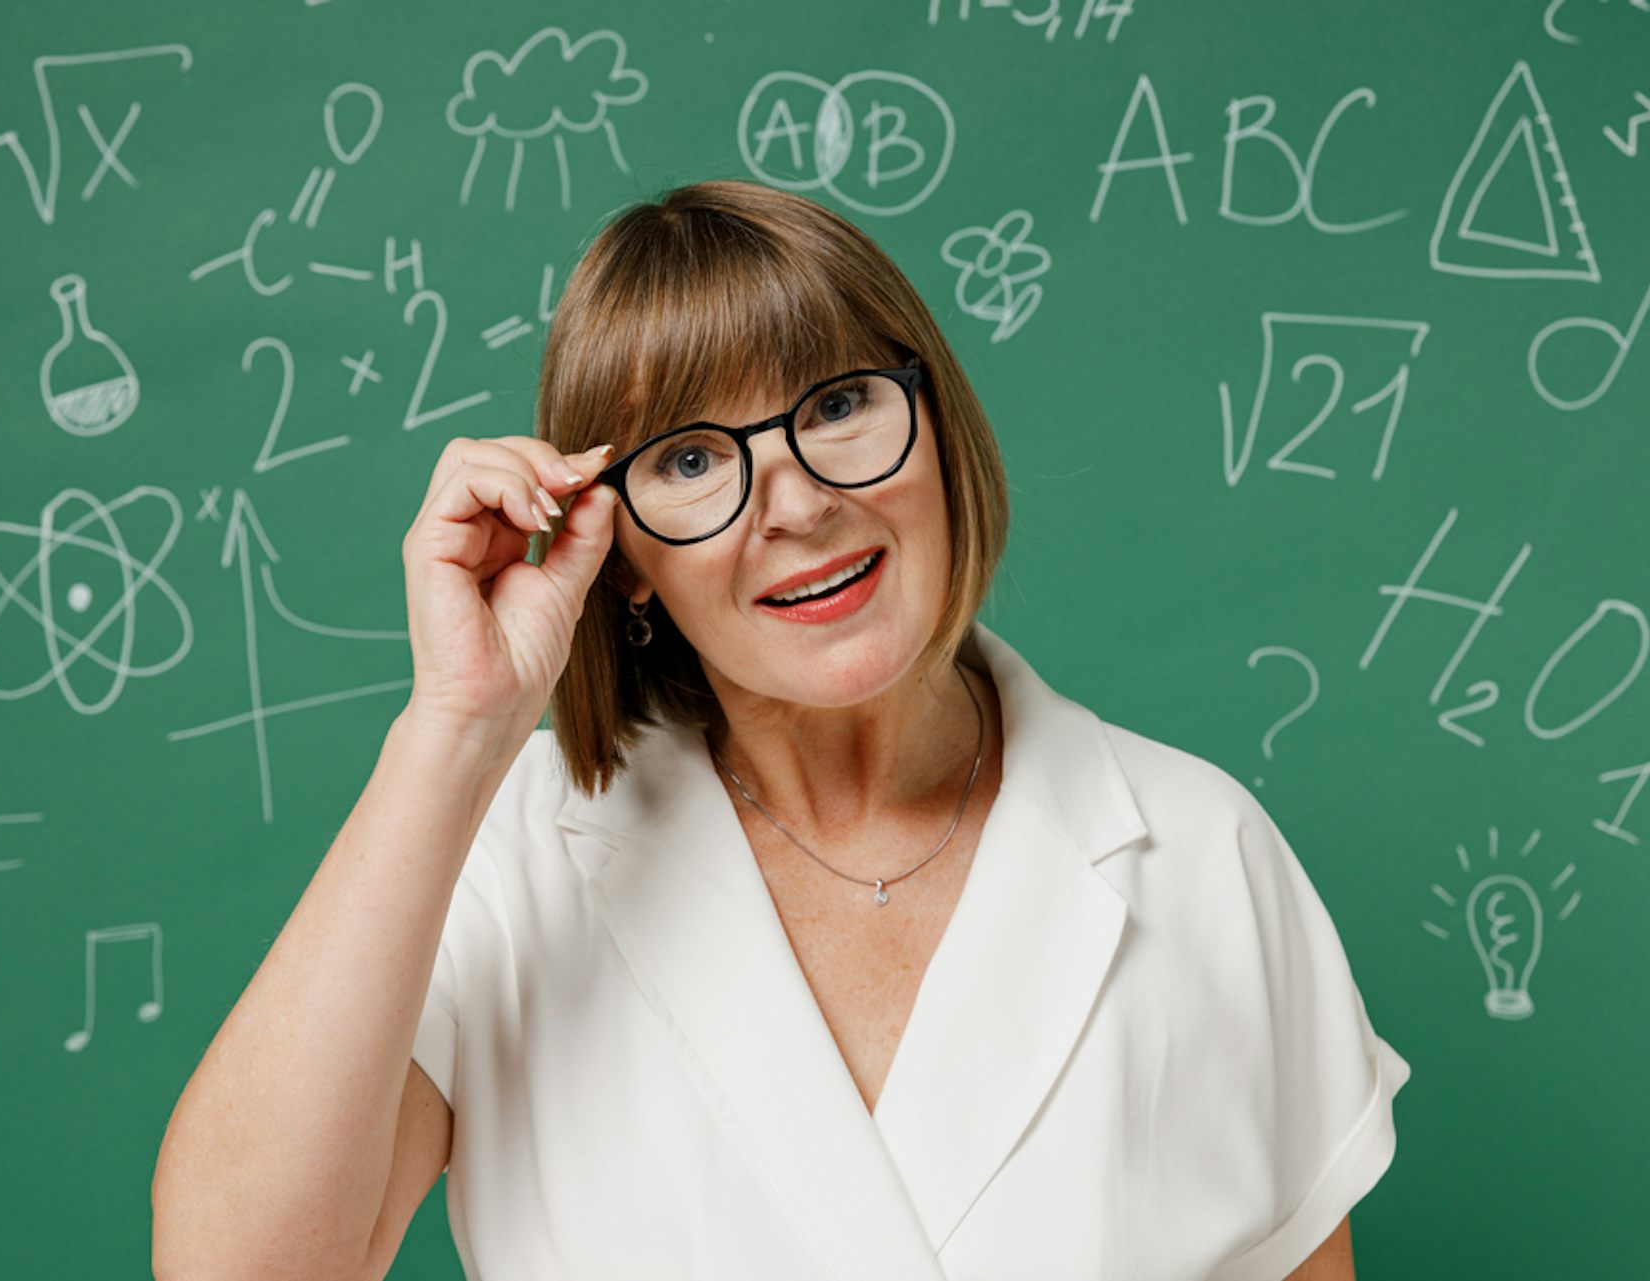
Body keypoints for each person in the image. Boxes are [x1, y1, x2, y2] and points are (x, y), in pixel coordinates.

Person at [150, 179, 1410, 1281]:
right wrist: (452, 731)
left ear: (937, 421)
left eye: (840, 402)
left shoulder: (1201, 852)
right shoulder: (510, 860)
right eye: (692, 461)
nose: (797, 504)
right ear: (619, 552)